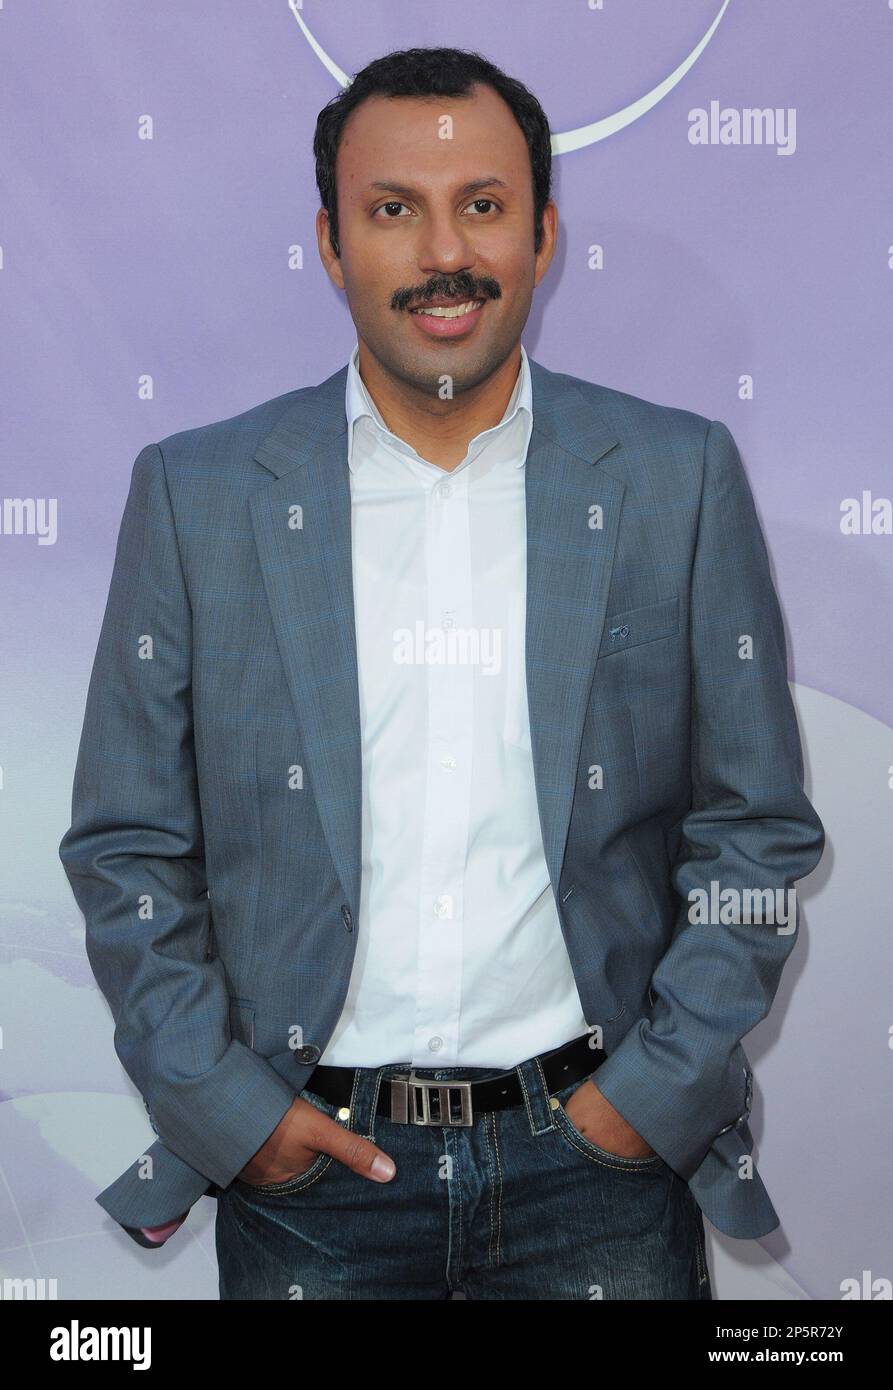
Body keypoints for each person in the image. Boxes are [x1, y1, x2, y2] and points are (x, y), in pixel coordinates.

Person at [59, 46, 825, 1300]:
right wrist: (226, 1107)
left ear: (542, 233)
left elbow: (754, 831)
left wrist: (652, 1090)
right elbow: (127, 844)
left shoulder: (672, 480)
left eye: (481, 203)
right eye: (391, 210)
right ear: (326, 240)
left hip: (600, 1176)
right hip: (308, 1188)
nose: (441, 252)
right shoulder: (196, 497)